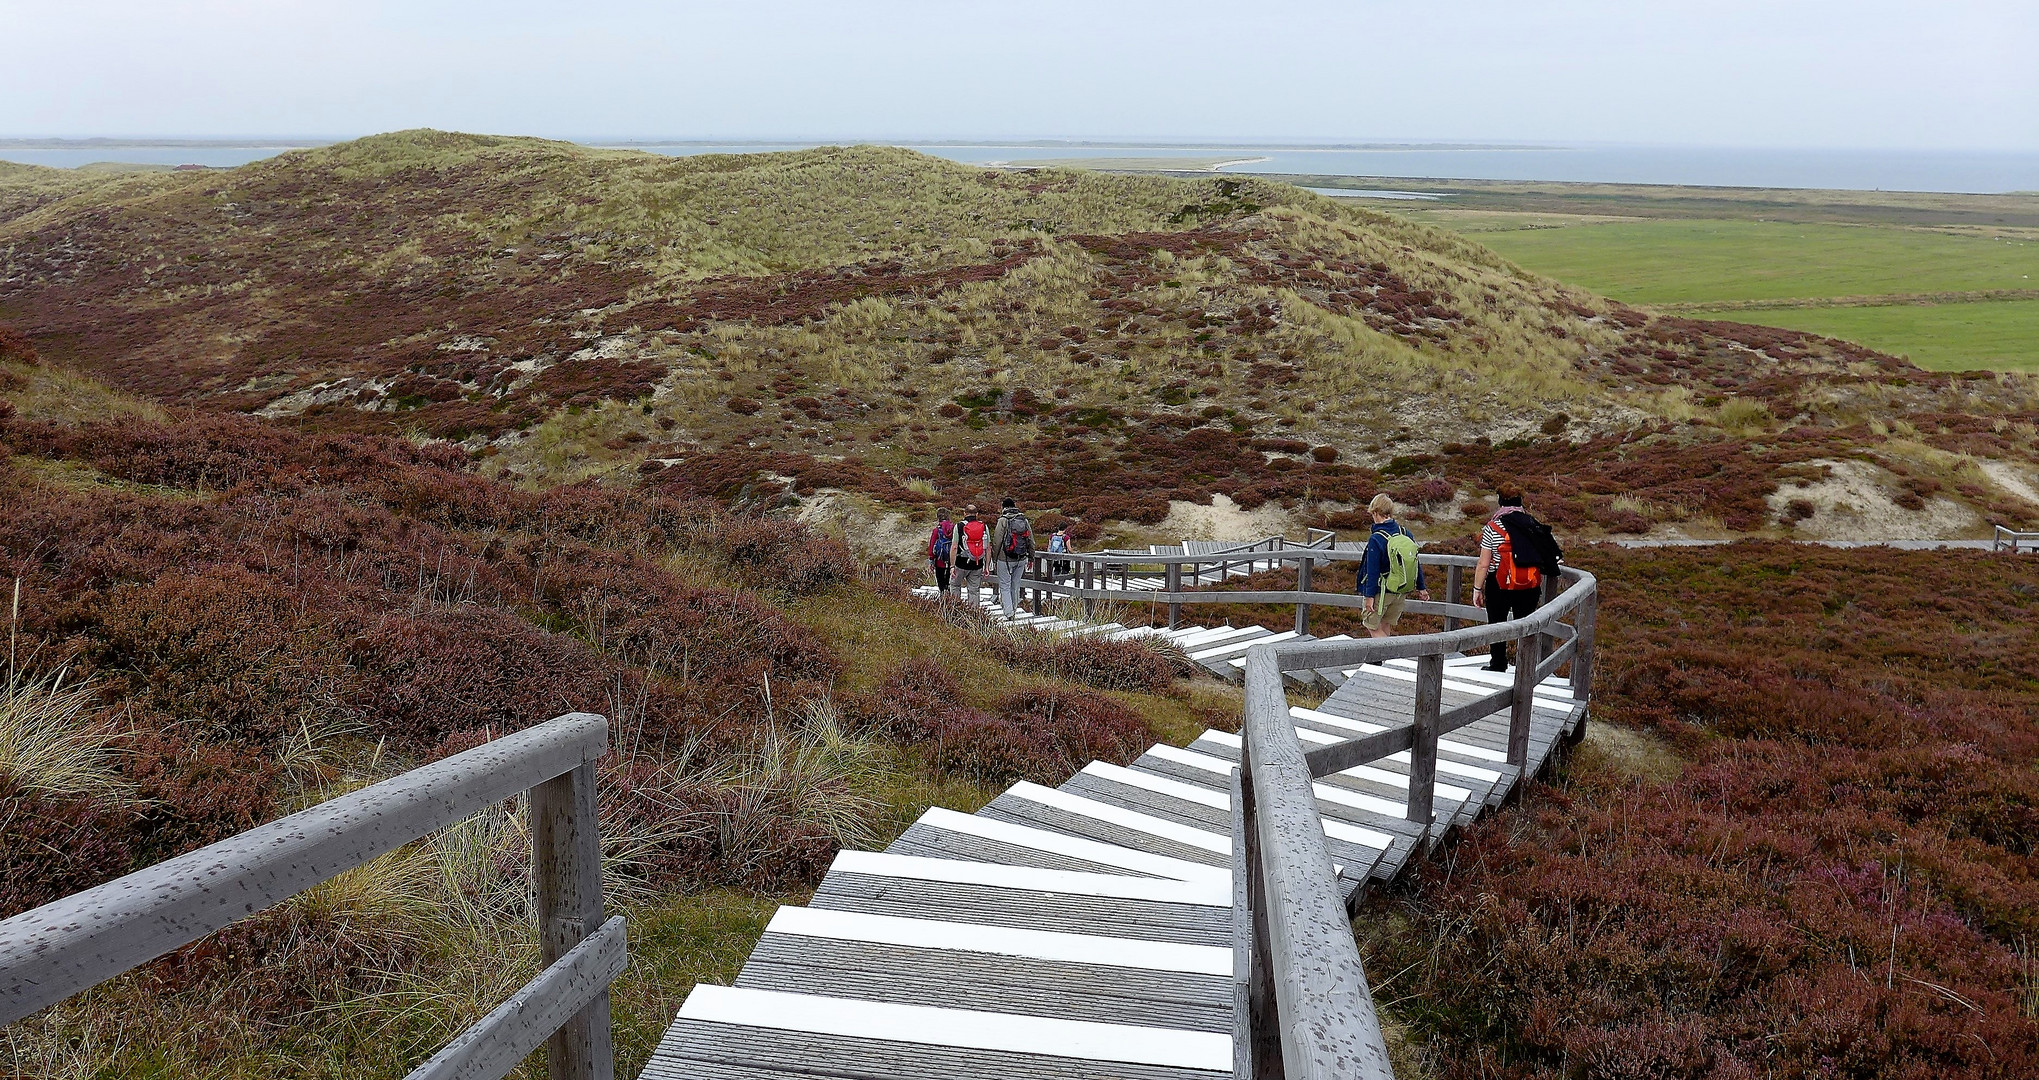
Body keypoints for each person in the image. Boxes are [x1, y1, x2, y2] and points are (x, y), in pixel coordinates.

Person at [1473, 487, 1546, 671]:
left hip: (1499, 584)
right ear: (1520, 502)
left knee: (1497, 624)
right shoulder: (1532, 523)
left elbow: (1483, 563)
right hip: (1529, 586)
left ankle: (1498, 664)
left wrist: (1477, 589)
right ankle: (1526, 667)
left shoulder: (1492, 527)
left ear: (1500, 502)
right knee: (1527, 627)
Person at [1356, 493, 1430, 638]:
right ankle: (1381, 660)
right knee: (1385, 624)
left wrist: (1369, 596)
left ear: (1376, 513)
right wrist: (1421, 587)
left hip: (1381, 591)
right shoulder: (1405, 533)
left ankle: (1390, 654)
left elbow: (1372, 570)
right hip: (1399, 590)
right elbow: (1414, 562)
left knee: (1372, 626)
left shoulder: (1376, 538)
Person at [989, 497, 1035, 620]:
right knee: (1015, 585)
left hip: (1005, 559)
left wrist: (994, 559)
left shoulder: (1003, 520)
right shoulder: (1024, 520)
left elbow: (997, 541)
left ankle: (1009, 613)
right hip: (1021, 558)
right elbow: (1031, 540)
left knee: (1004, 585)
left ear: (1003, 507)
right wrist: (1031, 557)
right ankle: (1013, 609)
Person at [953, 507, 989, 608]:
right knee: (974, 590)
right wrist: (986, 566)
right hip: (977, 563)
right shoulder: (984, 526)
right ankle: (974, 614)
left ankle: (954, 611)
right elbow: (988, 548)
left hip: (960, 563)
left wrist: (952, 566)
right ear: (976, 514)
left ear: (964, 513)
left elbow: (954, 547)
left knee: (955, 586)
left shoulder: (959, 526)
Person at [926, 509, 957, 599]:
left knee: (941, 581)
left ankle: (943, 597)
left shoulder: (936, 530)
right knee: (950, 581)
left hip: (939, 561)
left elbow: (932, 546)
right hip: (953, 561)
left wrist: (931, 561)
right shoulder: (955, 528)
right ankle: (950, 596)